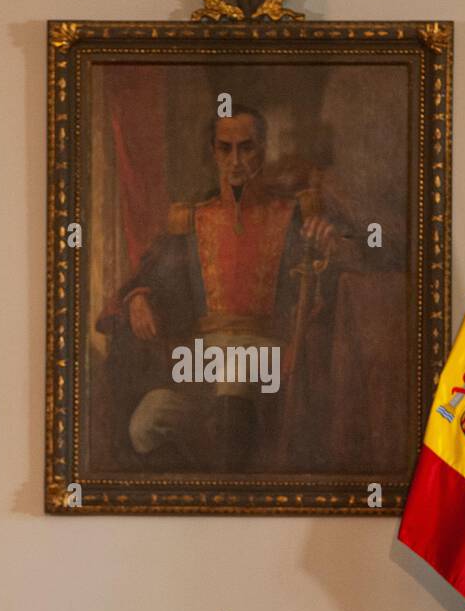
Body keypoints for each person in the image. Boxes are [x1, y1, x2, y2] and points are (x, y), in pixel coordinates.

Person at [96, 105, 360, 472]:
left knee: (234, 370)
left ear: (263, 149)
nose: (236, 161)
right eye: (225, 148)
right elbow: (148, 276)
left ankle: (232, 494)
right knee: (146, 422)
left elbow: (355, 259)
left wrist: (332, 245)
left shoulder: (295, 211)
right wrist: (137, 297)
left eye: (246, 148)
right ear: (213, 153)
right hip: (200, 364)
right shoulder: (190, 218)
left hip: (269, 358)